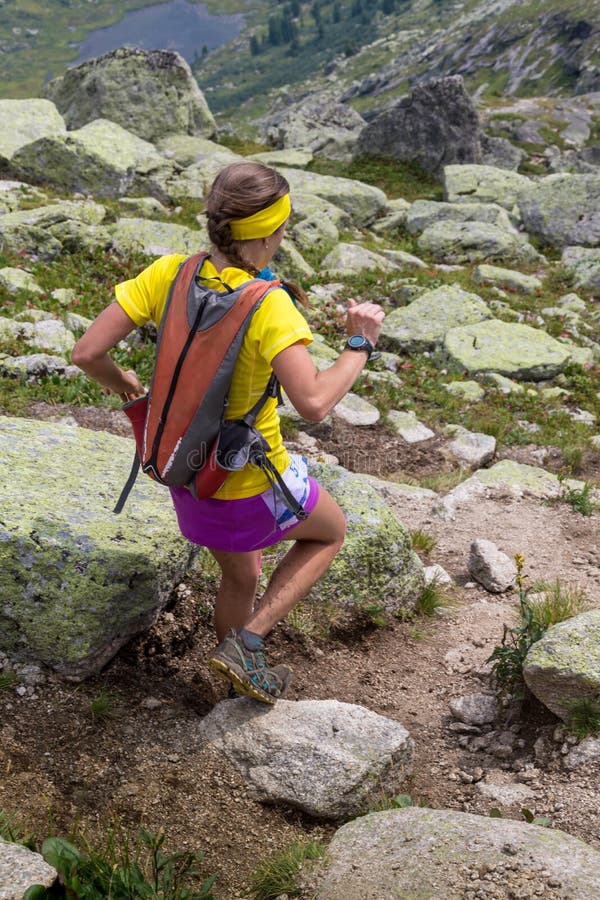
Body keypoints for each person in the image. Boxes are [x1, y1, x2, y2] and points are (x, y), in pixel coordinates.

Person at [72, 161, 385, 705]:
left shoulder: (171, 271)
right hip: (244, 480)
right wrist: (360, 344)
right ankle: (247, 643)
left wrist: (125, 386)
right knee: (329, 532)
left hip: (183, 472)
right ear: (268, 232)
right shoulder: (270, 305)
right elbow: (312, 402)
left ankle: (231, 686)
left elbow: (86, 352)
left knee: (240, 575)